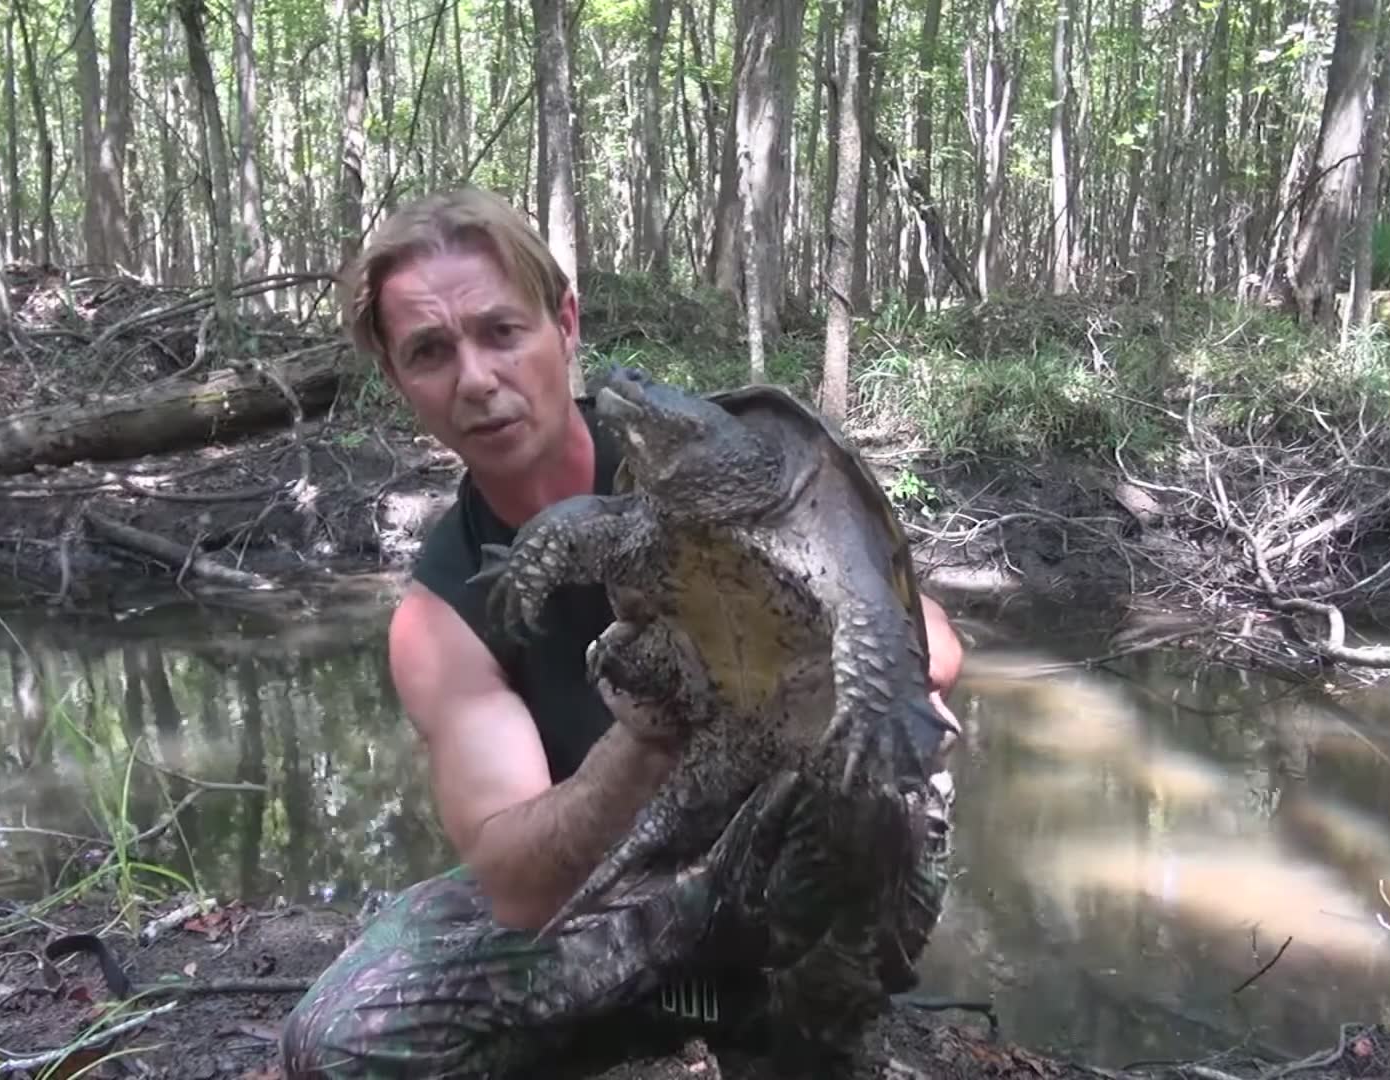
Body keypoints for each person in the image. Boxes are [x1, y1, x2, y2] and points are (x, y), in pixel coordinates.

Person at [279, 187, 967, 1078]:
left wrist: (763, 665)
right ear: (401, 383)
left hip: (780, 845)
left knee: (868, 789)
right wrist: (648, 733)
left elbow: (935, 651)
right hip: (613, 892)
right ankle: (641, 1018)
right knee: (336, 1039)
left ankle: (800, 1039)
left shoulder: (705, 461)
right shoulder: (439, 613)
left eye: (501, 331)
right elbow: (518, 882)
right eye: (431, 352)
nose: (478, 380)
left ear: (564, 324)